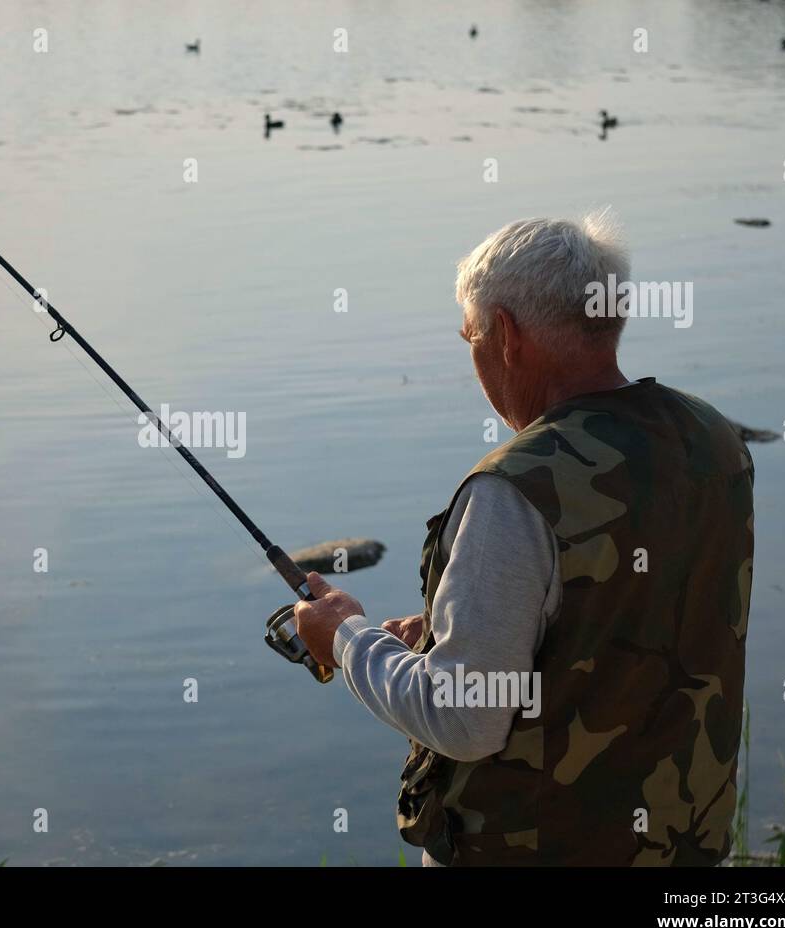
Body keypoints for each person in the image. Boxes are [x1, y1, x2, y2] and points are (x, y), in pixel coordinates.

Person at [294, 212, 754, 866]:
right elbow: (635, 603)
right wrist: (458, 629)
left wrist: (344, 638)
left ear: (506, 336)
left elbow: (466, 721)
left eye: (470, 337)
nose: (474, 359)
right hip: (686, 846)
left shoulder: (513, 493)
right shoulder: (713, 440)